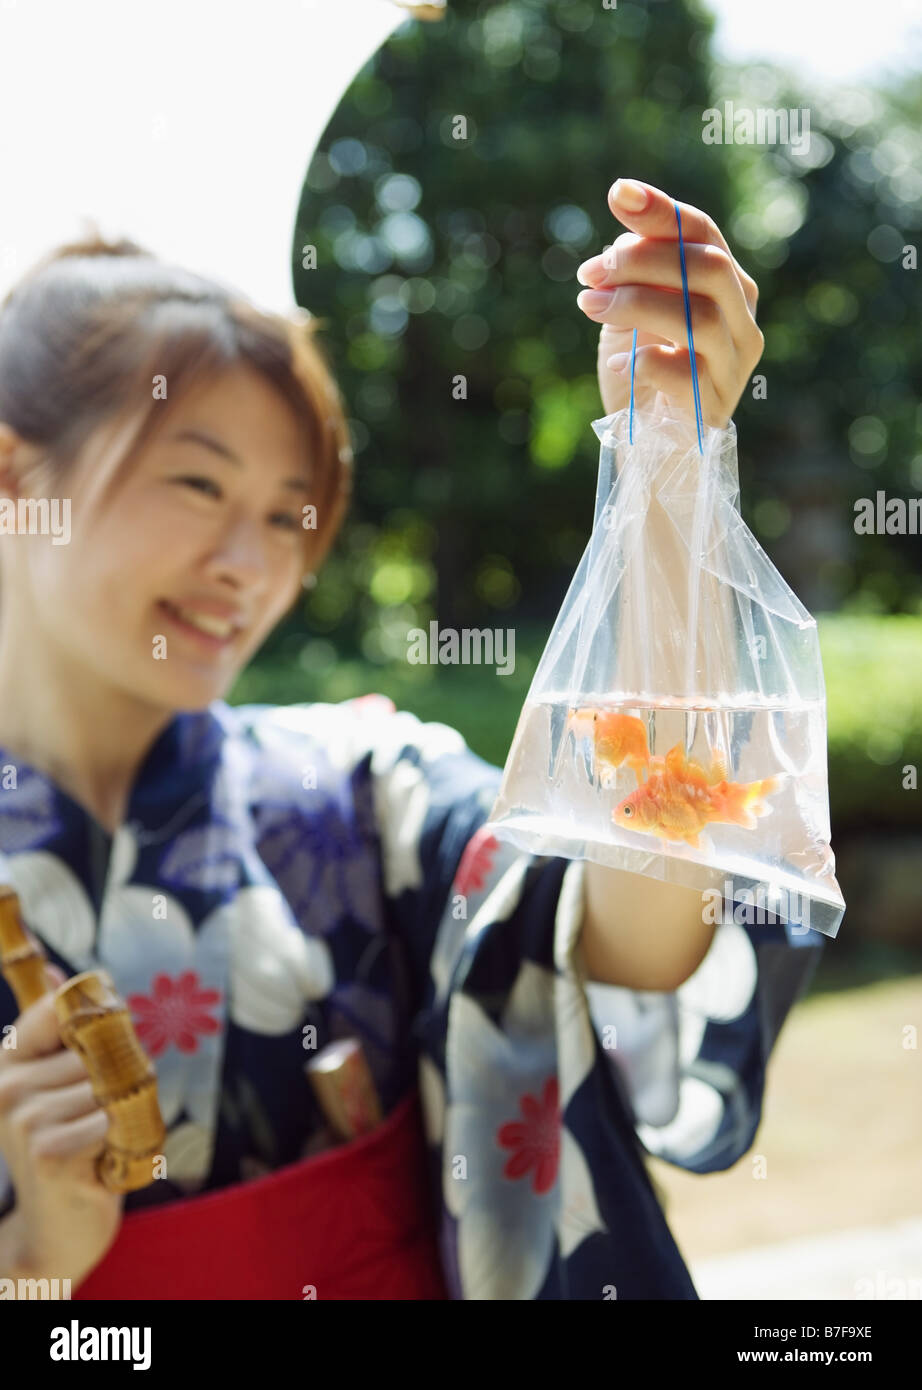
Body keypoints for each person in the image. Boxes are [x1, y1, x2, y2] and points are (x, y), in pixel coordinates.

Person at [0, 178, 823, 1300]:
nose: (253, 565)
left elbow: (639, 924)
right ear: (14, 478)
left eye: (293, 513)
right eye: (198, 483)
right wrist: (35, 1267)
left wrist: (667, 457)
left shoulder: (362, 790)